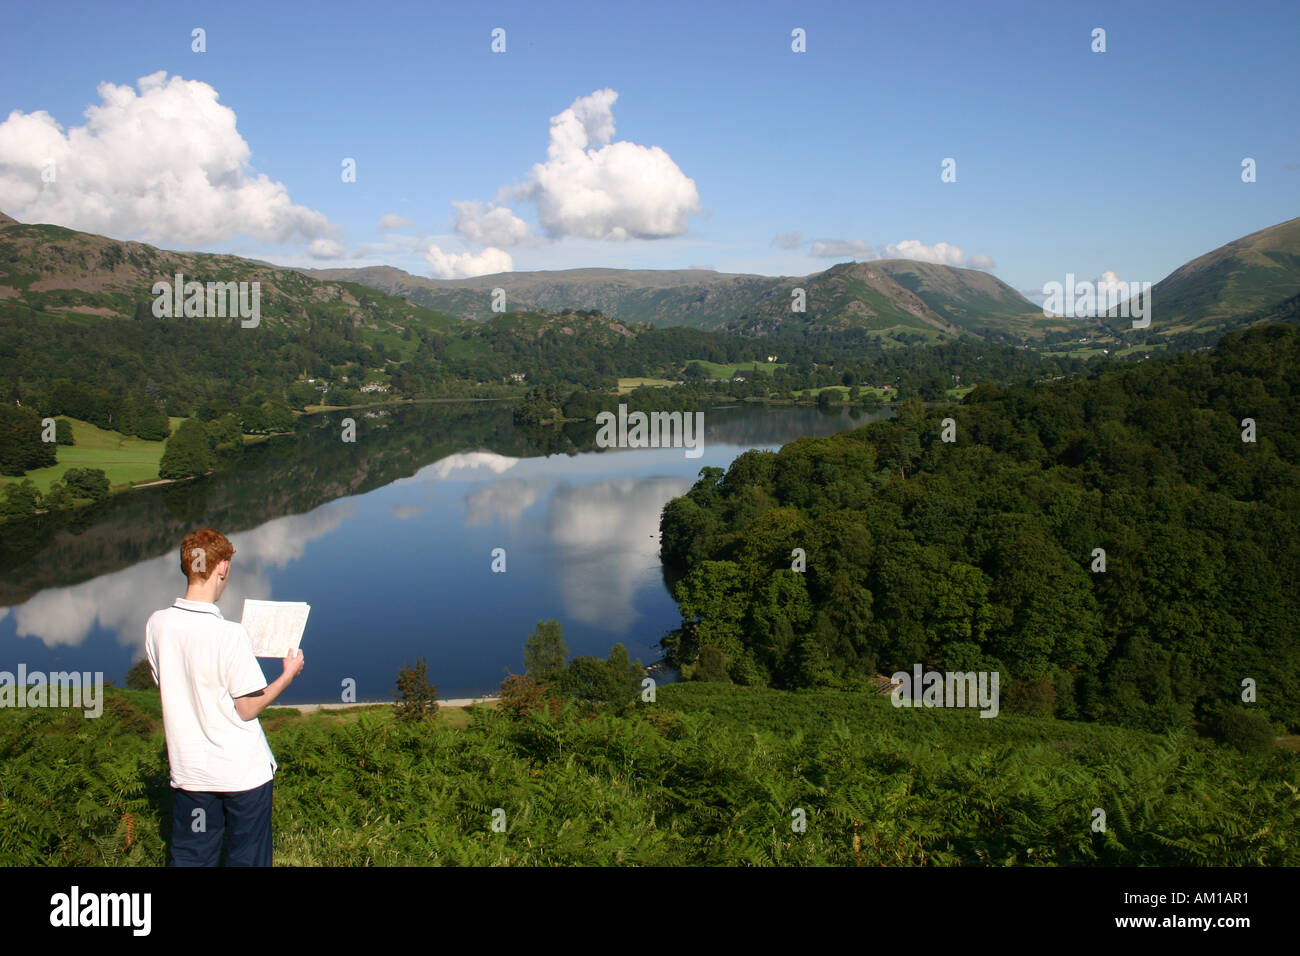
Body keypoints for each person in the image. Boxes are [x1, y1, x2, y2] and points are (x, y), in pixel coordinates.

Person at [145, 527, 305, 866]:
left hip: (191, 773)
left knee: (192, 856)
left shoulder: (157, 625)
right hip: (242, 775)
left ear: (187, 567)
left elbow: (172, 685)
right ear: (222, 568)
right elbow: (247, 708)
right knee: (246, 857)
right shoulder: (230, 635)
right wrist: (287, 675)